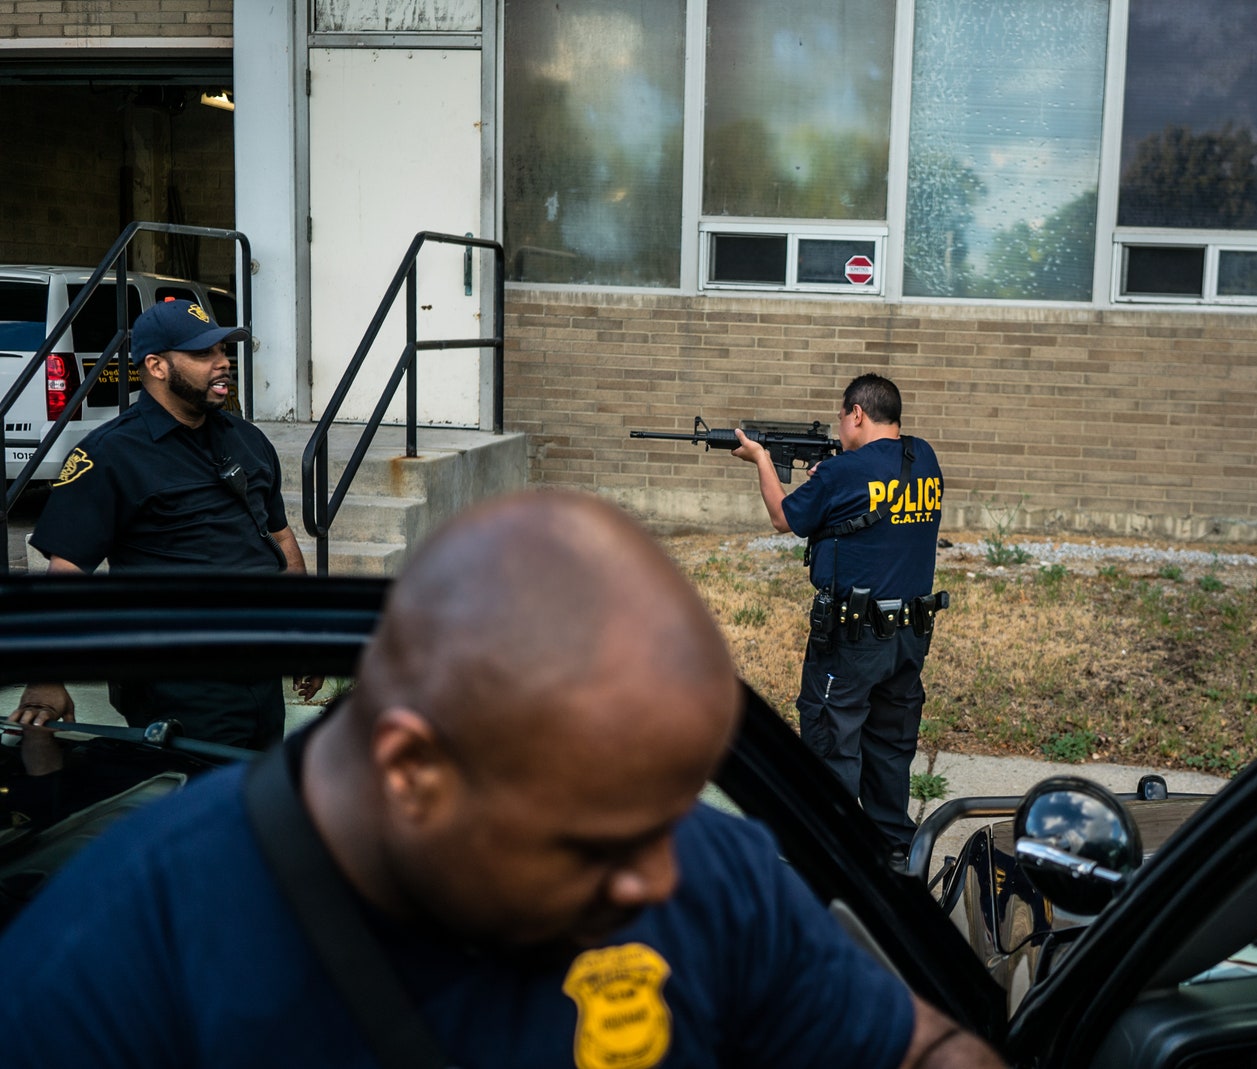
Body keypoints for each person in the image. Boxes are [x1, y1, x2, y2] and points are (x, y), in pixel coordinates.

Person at [0, 489, 1003, 1069]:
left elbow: (913, 1050)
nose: (659, 878)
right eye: (597, 841)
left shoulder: (712, 875)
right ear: (412, 772)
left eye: (674, 812)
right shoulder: (109, 970)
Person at [7, 296, 318, 749]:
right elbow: (66, 576)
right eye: (202, 354)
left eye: (223, 350)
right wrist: (45, 679)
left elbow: (280, 537)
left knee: (257, 799)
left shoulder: (247, 440)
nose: (222, 363)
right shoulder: (109, 455)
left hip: (258, 670)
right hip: (177, 684)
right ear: (155, 366)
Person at [731, 373, 946, 859]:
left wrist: (761, 459)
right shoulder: (924, 457)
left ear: (857, 414)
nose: (840, 425)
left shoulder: (841, 473)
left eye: (841, 416)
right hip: (909, 635)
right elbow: (870, 502)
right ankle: (895, 854)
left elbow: (785, 517)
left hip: (852, 639)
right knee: (890, 748)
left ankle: (832, 858)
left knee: (832, 743)